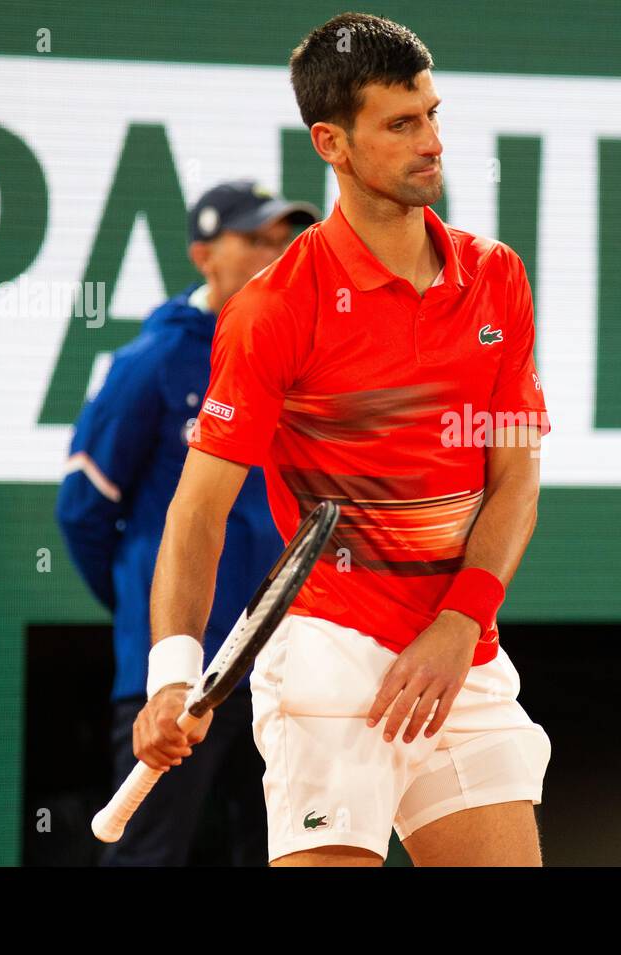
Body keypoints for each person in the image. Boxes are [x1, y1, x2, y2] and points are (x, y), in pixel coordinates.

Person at [134, 12, 552, 867]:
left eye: (433, 114)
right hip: (330, 658)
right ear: (332, 142)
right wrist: (172, 675)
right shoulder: (274, 311)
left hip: (461, 658)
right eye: (401, 124)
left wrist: (455, 625)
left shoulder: (497, 277)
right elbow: (196, 513)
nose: (430, 141)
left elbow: (515, 479)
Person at [56, 181, 321, 865]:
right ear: (204, 254)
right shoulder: (150, 364)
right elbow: (84, 513)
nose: (275, 253)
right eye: (255, 238)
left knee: (285, 853)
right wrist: (153, 619)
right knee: (149, 856)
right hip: (177, 676)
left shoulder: (300, 358)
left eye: (283, 238)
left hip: (286, 670)